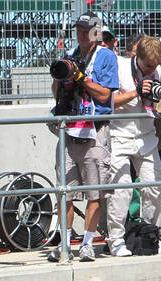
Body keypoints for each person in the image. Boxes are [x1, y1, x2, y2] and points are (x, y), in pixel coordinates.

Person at [48, 11, 119, 262]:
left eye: (86, 29)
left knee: (94, 193)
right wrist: (60, 75)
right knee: (65, 192)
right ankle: (66, 243)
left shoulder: (106, 57)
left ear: (96, 32)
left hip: (94, 132)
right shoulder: (70, 56)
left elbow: (105, 96)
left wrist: (80, 77)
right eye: (78, 29)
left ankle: (87, 244)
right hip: (69, 132)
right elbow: (57, 92)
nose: (81, 33)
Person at [107, 34, 161, 257]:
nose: (150, 71)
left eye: (154, 67)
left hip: (147, 138)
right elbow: (108, 102)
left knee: (153, 189)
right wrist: (136, 92)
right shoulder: (119, 66)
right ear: (136, 56)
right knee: (122, 189)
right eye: (147, 66)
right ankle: (115, 240)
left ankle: (152, 237)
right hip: (119, 135)